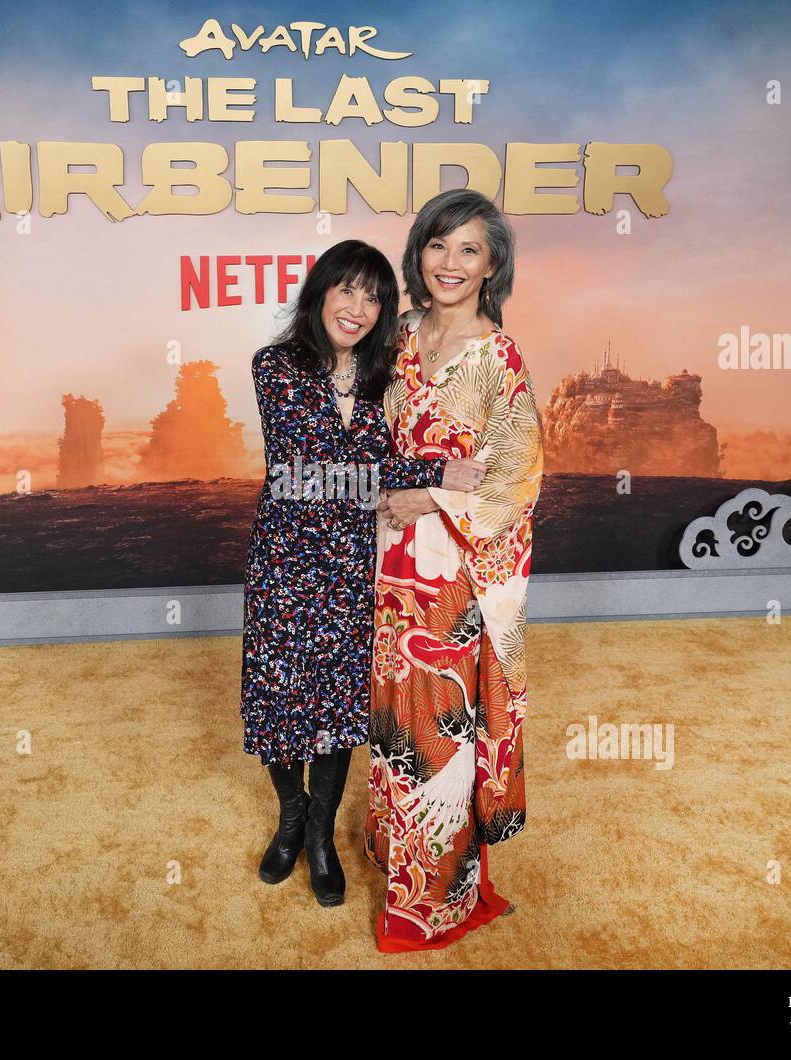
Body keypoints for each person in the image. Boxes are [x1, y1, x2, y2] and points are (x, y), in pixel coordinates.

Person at [240, 238, 487, 907]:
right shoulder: (277, 367)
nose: (357, 307)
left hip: (354, 566)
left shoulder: (383, 381)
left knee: (340, 705)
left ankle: (320, 835)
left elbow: (363, 475)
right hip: (287, 566)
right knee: (279, 698)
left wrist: (433, 473)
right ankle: (291, 815)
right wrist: (433, 472)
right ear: (320, 292)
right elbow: (314, 472)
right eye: (346, 289)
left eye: (374, 297)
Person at [367, 189, 544, 950]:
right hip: (386, 555)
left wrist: (430, 495)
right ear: (419, 254)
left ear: (492, 265)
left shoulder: (498, 358)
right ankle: (399, 861)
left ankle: (435, 898)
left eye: (469, 249)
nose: (450, 262)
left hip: (455, 567)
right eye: (437, 245)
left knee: (440, 723)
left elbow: (514, 478)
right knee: (391, 715)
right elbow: (361, 432)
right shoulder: (397, 335)